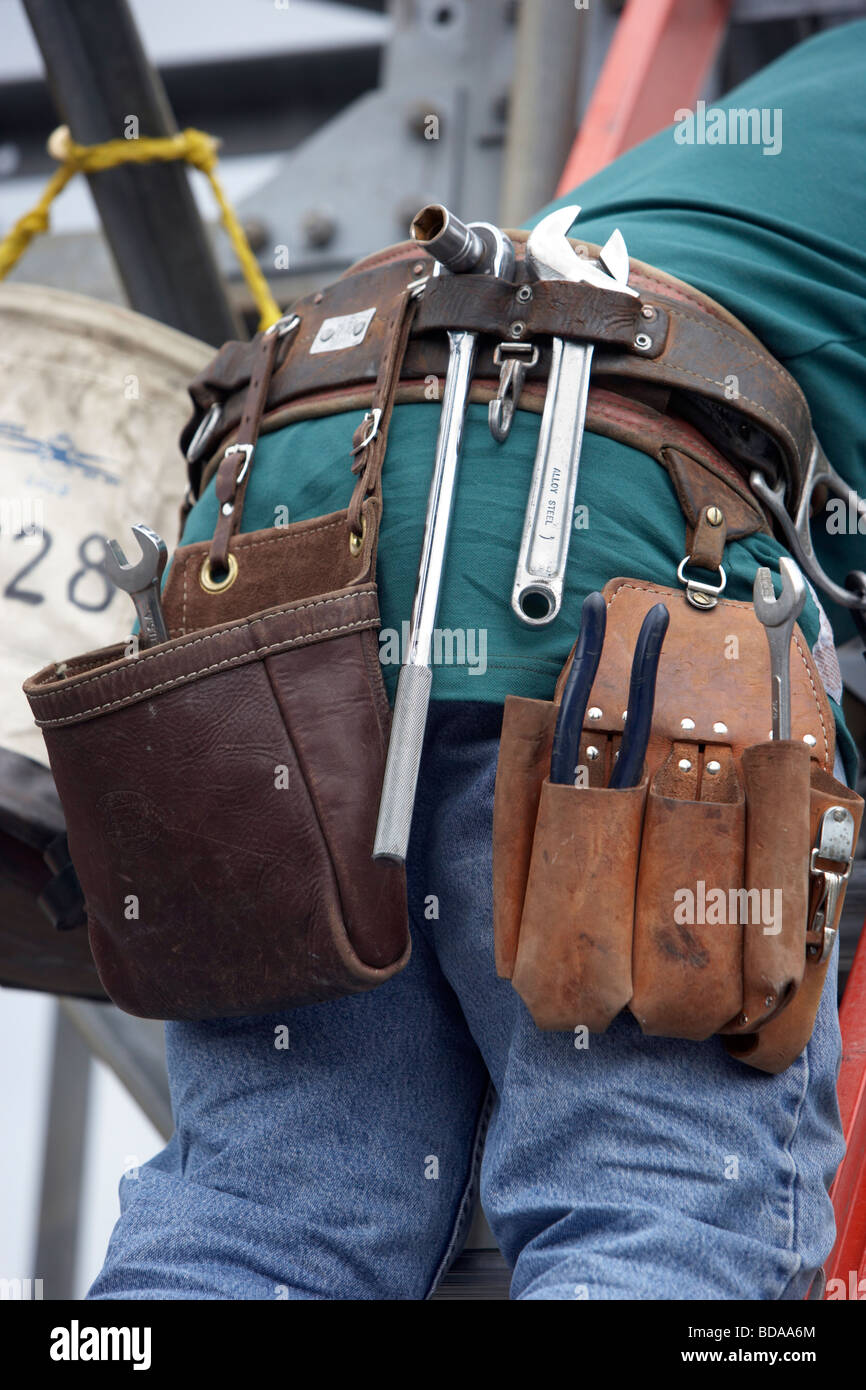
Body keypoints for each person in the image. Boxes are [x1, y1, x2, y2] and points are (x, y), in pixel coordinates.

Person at [89, 20, 866, 1300]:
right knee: (658, 1193)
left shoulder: (767, 129)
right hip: (591, 483)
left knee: (271, 1202)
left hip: (273, 512)